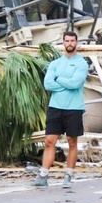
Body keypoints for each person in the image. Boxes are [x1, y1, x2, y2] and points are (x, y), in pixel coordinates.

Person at [33, 30, 88, 189]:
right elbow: (48, 84)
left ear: (76, 43)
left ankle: (68, 175)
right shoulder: (55, 64)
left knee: (72, 142)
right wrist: (66, 82)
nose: (69, 44)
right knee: (50, 141)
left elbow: (75, 84)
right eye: (67, 41)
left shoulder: (81, 63)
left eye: (72, 41)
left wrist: (60, 79)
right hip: (55, 107)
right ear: (63, 43)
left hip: (74, 108)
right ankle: (43, 175)